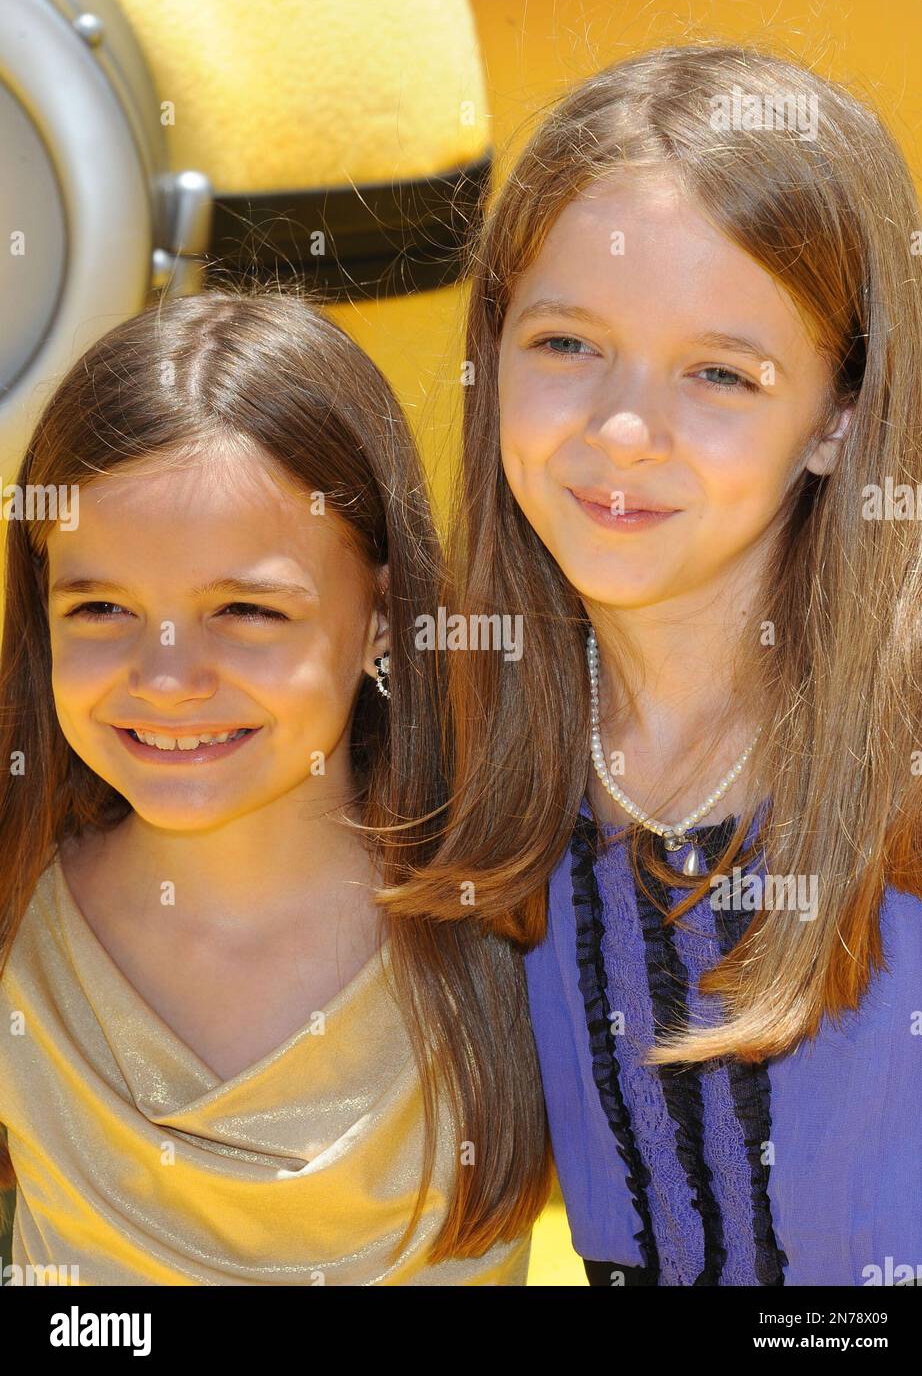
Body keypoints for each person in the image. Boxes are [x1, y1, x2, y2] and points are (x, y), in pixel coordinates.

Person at [400, 42, 922, 1285]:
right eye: (564, 346)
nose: (620, 434)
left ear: (838, 414)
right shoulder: (466, 741)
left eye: (718, 374)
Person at [0, 287, 550, 1286]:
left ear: (382, 616)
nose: (166, 678)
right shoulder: (13, 922)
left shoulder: (517, 919)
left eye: (246, 609)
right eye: (102, 607)